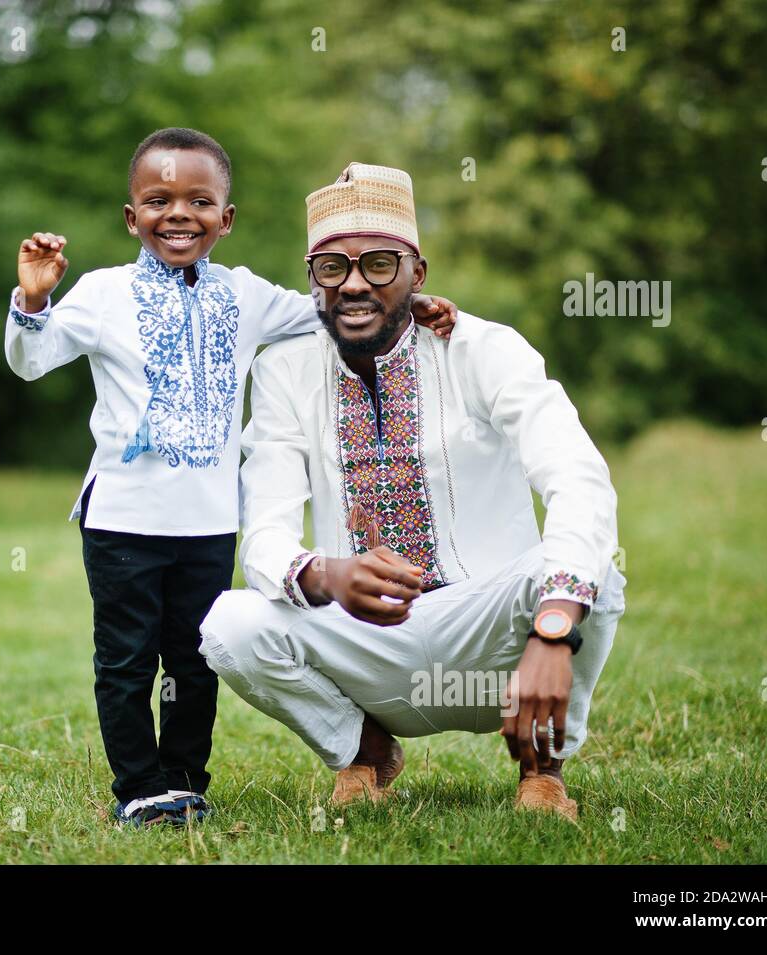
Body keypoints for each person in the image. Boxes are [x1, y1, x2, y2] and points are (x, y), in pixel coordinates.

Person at [6, 131, 459, 827]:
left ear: (226, 217)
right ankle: (137, 787)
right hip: (124, 520)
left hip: (212, 522)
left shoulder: (243, 296)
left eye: (198, 199)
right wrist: (33, 302)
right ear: (132, 217)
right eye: (158, 200)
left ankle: (184, 780)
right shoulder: (102, 294)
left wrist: (414, 310)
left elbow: (332, 311)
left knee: (195, 658)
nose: (178, 213)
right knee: (127, 658)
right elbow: (31, 362)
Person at [200, 162, 626, 820]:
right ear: (312, 278)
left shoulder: (483, 347)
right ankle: (365, 750)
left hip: (492, 638)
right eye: (332, 268)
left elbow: (577, 475)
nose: (355, 284)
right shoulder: (285, 369)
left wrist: (551, 628)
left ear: (417, 271)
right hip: (368, 642)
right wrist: (328, 574)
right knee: (229, 622)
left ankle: (544, 771)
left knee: (591, 569)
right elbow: (264, 533)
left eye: (378, 263)